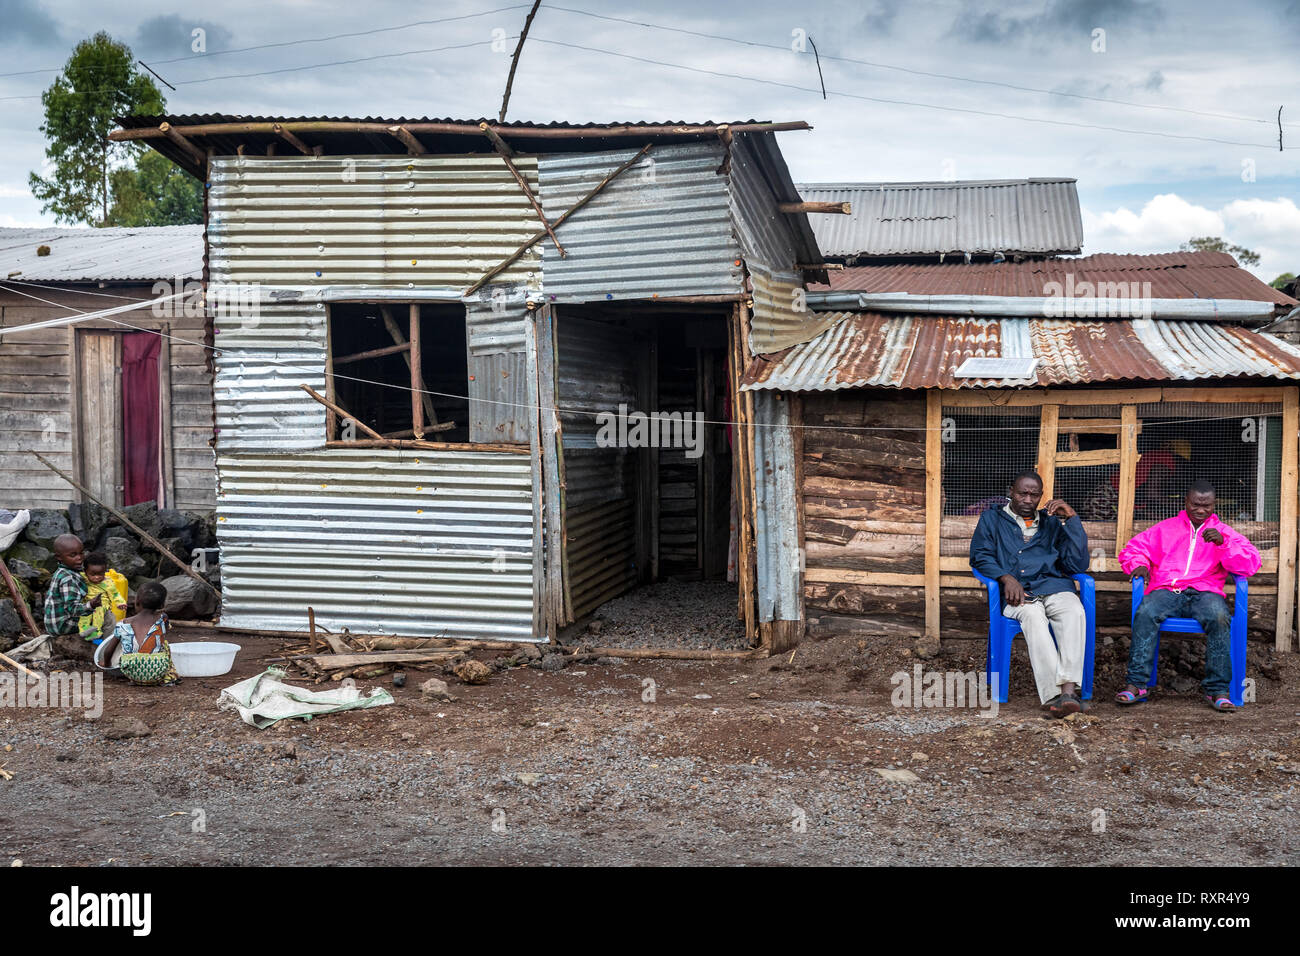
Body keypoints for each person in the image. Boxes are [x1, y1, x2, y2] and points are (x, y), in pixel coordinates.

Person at [1117, 480, 1261, 711]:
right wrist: (1139, 564)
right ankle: (1136, 684)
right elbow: (1134, 549)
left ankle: (1217, 690)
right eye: (1196, 504)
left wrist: (1223, 544)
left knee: (1219, 618)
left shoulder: (1224, 533)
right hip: (1167, 589)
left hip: (1205, 592)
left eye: (1207, 505)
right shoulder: (1166, 528)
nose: (1201, 510)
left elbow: (1249, 565)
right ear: (1186, 502)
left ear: (1214, 505)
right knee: (1145, 612)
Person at [970, 470, 1091, 716]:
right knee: (1034, 618)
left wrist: (1073, 520)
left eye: (1034, 495)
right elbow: (980, 556)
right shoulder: (991, 519)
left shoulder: (1052, 523)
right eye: (1022, 493)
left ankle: (1068, 692)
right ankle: (1053, 696)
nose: (1027, 500)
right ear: (1011, 492)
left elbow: (1077, 565)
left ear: (1041, 497)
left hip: (1054, 587)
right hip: (1018, 593)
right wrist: (1006, 578)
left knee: (1074, 611)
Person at [96, 581, 178, 686]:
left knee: (127, 646)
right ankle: (168, 676)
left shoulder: (122, 624)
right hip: (158, 670)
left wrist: (107, 664)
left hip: (131, 672)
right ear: (162, 605)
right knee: (164, 644)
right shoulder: (163, 618)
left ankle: (137, 678)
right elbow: (164, 631)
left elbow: (109, 651)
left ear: (137, 602)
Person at [44, 534, 100, 638]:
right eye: (73, 555)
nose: (79, 558)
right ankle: (99, 642)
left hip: (54, 623)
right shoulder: (68, 578)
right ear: (59, 557)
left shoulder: (63, 571)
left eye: (81, 553)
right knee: (103, 616)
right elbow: (72, 609)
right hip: (62, 625)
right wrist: (91, 605)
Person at [78, 551, 127, 643]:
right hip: (86, 603)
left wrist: (120, 603)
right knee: (84, 617)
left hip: (101, 604)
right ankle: (84, 630)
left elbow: (115, 594)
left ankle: (96, 631)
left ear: (105, 571)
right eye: (93, 574)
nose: (96, 577)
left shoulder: (107, 583)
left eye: (100, 574)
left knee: (99, 614)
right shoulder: (82, 577)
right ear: (85, 571)